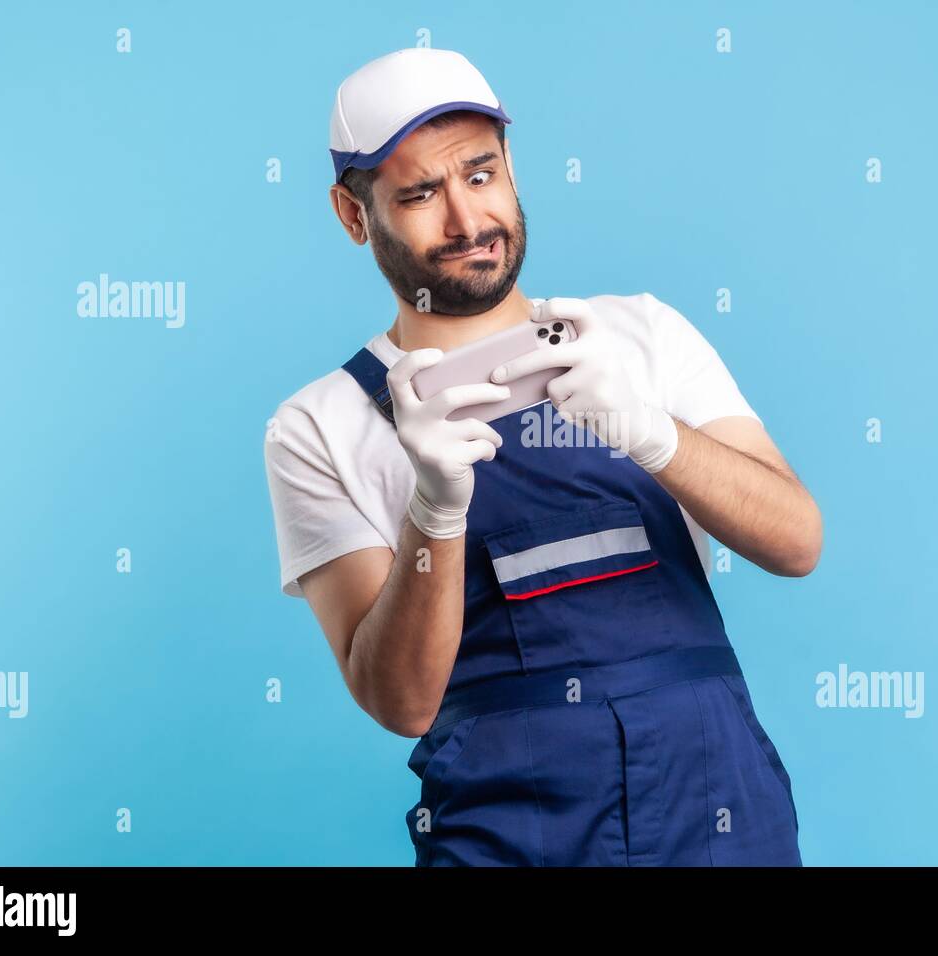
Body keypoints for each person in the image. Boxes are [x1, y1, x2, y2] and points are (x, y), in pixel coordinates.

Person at [264, 47, 823, 866]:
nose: (466, 221)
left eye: (482, 175)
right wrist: (434, 509)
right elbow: (401, 701)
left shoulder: (640, 334)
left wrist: (652, 433)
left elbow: (797, 541)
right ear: (354, 216)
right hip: (511, 834)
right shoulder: (320, 425)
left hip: (719, 809)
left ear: (512, 168)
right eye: (421, 194)